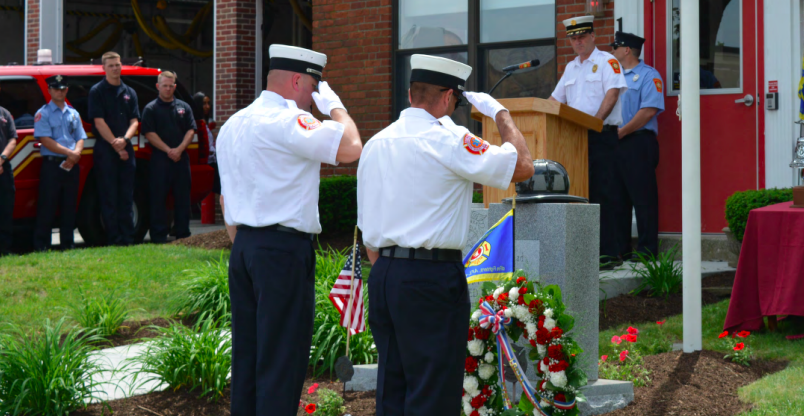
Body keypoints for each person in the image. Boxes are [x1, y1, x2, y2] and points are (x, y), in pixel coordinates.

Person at [358, 54, 533, 416]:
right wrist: (502, 116)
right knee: (433, 392)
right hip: (430, 279)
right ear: (447, 97)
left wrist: (393, 268)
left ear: (411, 95)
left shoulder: (376, 142)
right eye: (455, 101)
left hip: (385, 274)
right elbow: (523, 167)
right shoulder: (450, 139)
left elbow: (367, 231)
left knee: (392, 388)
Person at [217, 44, 362, 416]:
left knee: (249, 358)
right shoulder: (286, 119)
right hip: (281, 251)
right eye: (314, 87)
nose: (314, 100)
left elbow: (226, 198)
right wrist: (336, 107)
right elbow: (351, 147)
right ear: (298, 80)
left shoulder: (234, 123)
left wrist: (250, 245)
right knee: (282, 361)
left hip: (245, 247)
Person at [549, 15, 628, 268]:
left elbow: (612, 93)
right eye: (573, 38)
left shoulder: (608, 62)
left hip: (601, 136)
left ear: (593, 36)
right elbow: (554, 101)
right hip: (574, 141)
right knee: (579, 194)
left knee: (604, 194)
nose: (577, 41)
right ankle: (585, 253)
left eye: (582, 36)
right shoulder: (571, 67)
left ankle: (608, 254)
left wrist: (594, 121)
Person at [612, 31, 665, 259]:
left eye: (614, 46)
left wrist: (622, 132)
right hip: (613, 143)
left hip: (637, 142)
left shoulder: (648, 76)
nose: (610, 51)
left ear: (626, 50)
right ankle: (620, 250)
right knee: (617, 199)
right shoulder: (612, 77)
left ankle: (646, 251)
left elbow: (648, 111)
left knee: (642, 199)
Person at [88, 52, 140, 246]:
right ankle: (114, 239)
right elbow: (99, 123)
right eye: (111, 65)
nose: (115, 68)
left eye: (117, 65)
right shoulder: (97, 91)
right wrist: (116, 145)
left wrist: (125, 140)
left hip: (127, 147)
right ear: (104, 68)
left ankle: (128, 239)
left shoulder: (130, 92)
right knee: (108, 196)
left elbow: (134, 121)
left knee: (127, 196)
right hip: (106, 150)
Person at [140, 71, 197, 244]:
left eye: (171, 86)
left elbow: (191, 130)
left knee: (183, 198)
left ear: (175, 86)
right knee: (158, 198)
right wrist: (168, 151)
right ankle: (158, 236)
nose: (168, 88)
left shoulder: (184, 107)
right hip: (160, 159)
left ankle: (183, 235)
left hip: (181, 159)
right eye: (164, 85)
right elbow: (149, 133)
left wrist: (179, 150)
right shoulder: (151, 109)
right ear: (158, 86)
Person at [32, 75, 87, 252]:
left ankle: (67, 244)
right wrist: (70, 153)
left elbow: (80, 137)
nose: (59, 91)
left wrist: (76, 153)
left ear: (67, 90)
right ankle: (42, 245)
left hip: (72, 164)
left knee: (70, 205)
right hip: (52, 165)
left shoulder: (74, 113)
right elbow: (45, 140)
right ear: (49, 90)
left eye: (63, 88)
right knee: (47, 205)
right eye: (56, 88)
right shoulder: (43, 113)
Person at [0, 85, 17, 258]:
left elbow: (13, 138)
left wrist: (2, 159)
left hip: (4, 167)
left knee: (5, 208)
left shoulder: (5, 113)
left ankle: (4, 249)